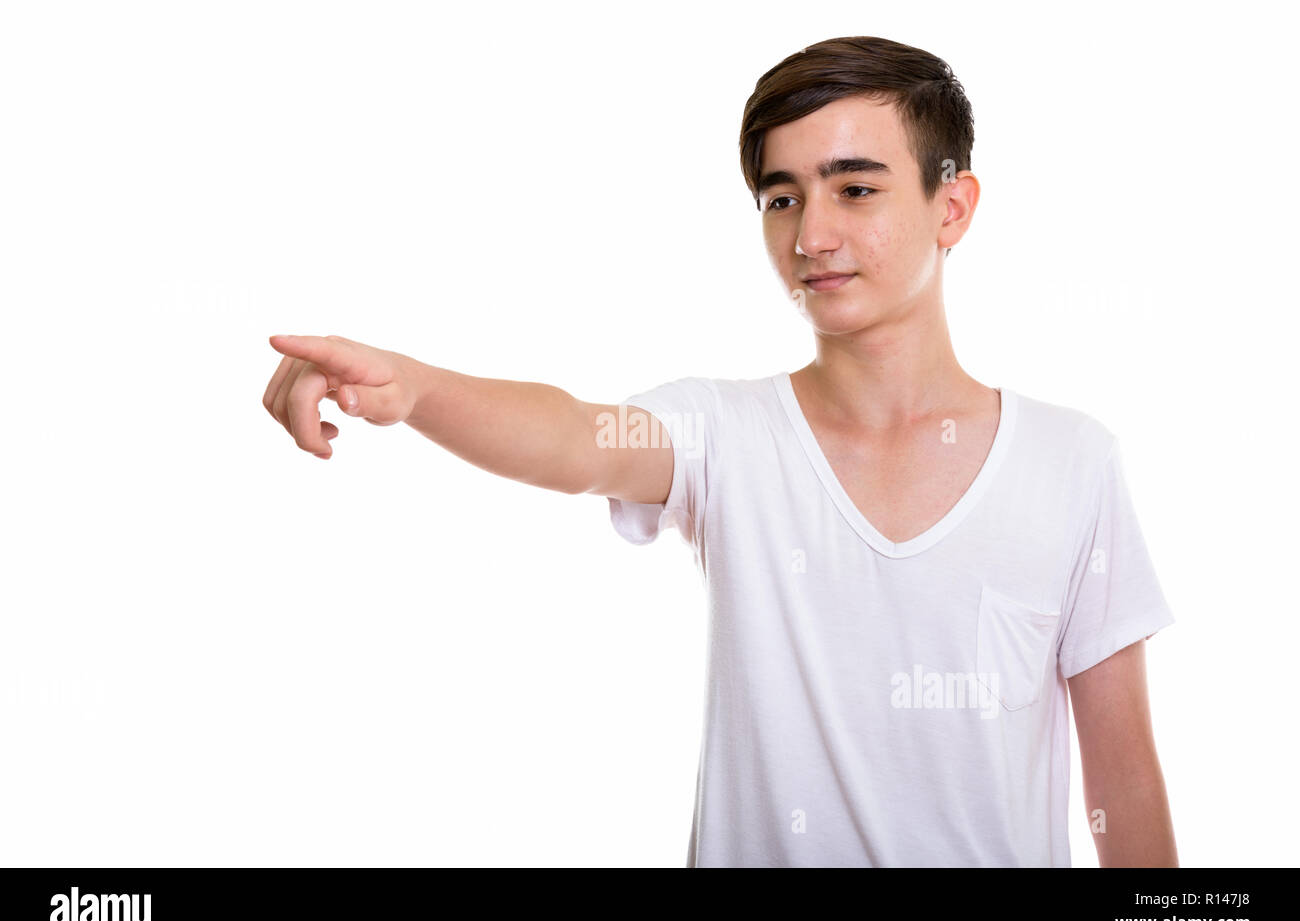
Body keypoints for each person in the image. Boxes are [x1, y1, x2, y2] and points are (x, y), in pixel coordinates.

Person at [261, 36, 1177, 868]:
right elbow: (578, 438)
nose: (811, 235)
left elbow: (1123, 784)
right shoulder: (723, 436)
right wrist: (415, 388)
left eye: (855, 188)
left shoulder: (1072, 463)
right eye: (783, 197)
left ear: (953, 205)